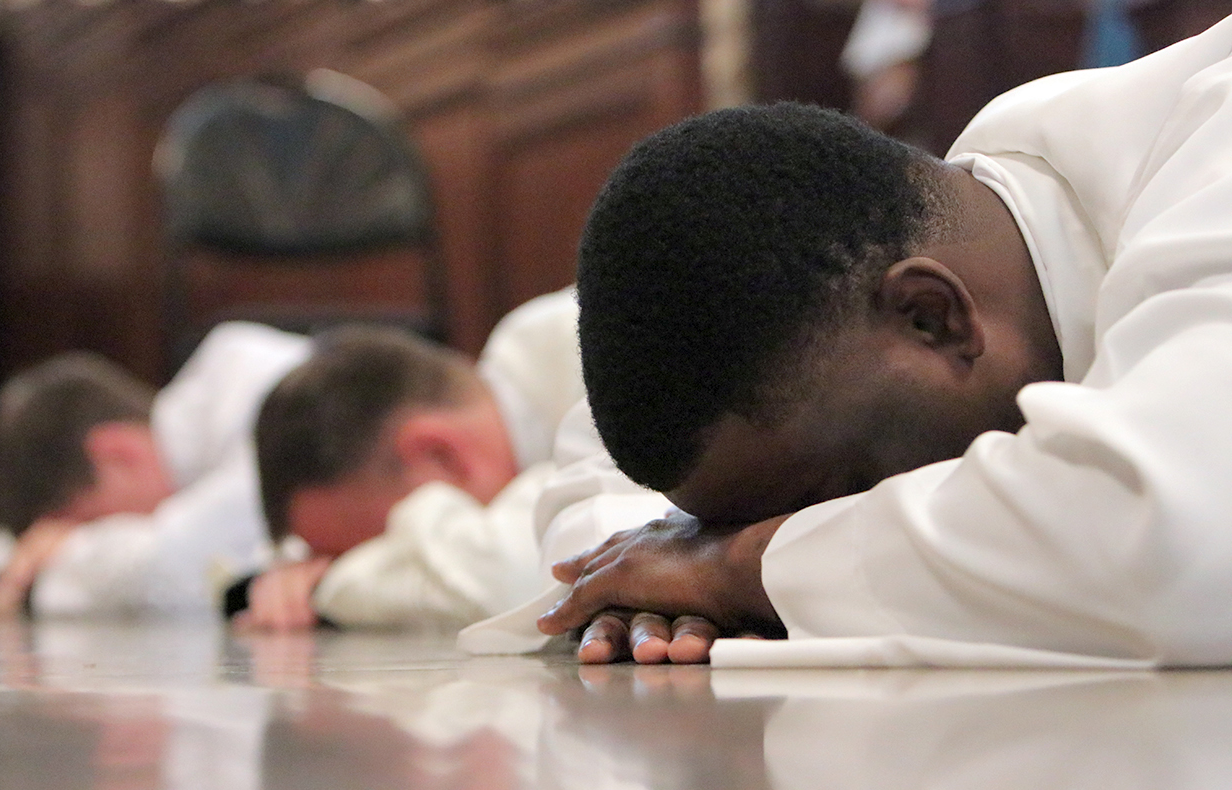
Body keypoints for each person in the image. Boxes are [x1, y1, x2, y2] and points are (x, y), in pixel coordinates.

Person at [522, 13, 1232, 667]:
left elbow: (1180, 545)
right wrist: (649, 581)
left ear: (932, 315)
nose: (824, 527)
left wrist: (740, 569)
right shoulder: (858, 303)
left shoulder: (1212, 154)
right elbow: (602, 470)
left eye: (841, 499)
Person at [232, 288, 587, 631]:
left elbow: (523, 580)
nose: (380, 561)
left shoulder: (593, 358)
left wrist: (325, 588)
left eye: (385, 545)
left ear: (439, 453)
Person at [0, 321, 310, 620]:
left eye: (100, 527)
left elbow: (181, 574)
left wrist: (49, 571)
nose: (114, 537)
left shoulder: (257, 385)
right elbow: (2, 551)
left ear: (116, 452)